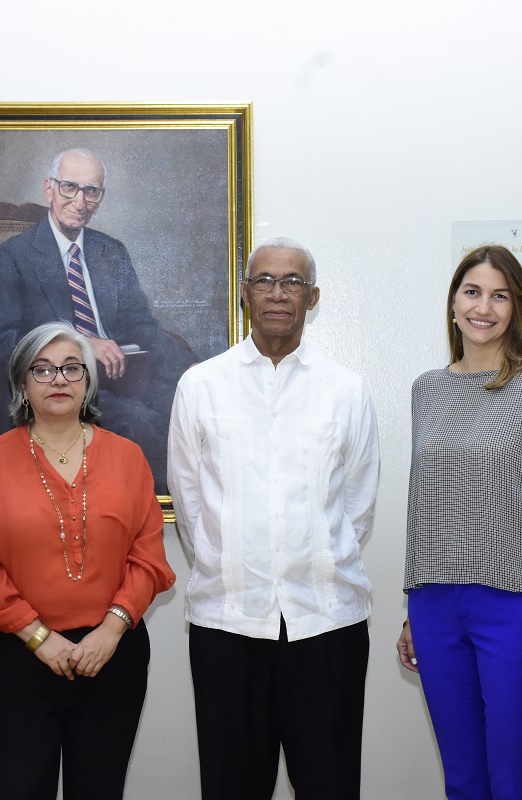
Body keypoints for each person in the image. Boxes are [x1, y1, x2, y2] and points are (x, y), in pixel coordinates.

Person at [167, 237, 380, 800]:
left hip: (326, 624)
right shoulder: (201, 386)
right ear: (244, 294)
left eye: (291, 282)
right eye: (264, 281)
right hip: (228, 625)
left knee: (330, 786)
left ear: (313, 297)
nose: (277, 293)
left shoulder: (347, 391)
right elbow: (190, 505)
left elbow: (356, 507)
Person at [395, 245, 522, 799]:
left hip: (515, 610)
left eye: (500, 295)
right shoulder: (427, 389)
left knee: (514, 777)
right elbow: (423, 503)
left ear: (517, 307)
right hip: (434, 609)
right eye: (472, 292)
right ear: (453, 303)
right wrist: (413, 607)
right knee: (463, 779)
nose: (484, 307)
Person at [0, 320, 176, 800]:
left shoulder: (129, 457)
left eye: (71, 368)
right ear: (21, 383)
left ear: (88, 380)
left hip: (111, 657)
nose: (58, 379)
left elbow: (148, 557)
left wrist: (111, 630)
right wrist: (39, 638)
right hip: (13, 660)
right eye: (42, 369)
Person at [0, 147, 196, 494]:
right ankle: (145, 516)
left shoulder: (111, 252)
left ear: (100, 198)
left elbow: (142, 325)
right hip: (60, 387)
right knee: (140, 423)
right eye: (70, 187)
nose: (80, 201)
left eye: (91, 191)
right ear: (49, 188)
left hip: (123, 376)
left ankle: (182, 514)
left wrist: (193, 371)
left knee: (185, 408)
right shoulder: (14, 256)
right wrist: (79, 347)